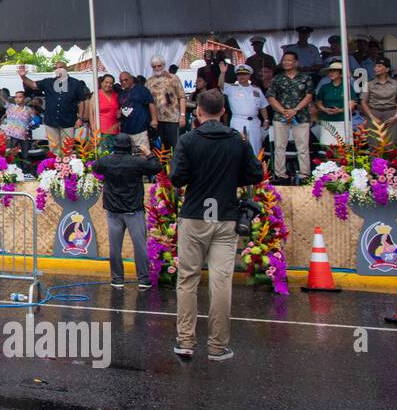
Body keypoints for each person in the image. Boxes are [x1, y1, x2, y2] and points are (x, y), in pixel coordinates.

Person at [169, 89, 266, 362]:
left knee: (187, 279)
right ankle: (217, 346)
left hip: (194, 216)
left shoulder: (188, 140)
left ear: (198, 112)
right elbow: (255, 173)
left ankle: (186, 341)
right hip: (225, 216)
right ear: (224, 111)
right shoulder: (237, 140)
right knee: (221, 282)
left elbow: (176, 178)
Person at [96, 134, 160, 288]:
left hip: (113, 210)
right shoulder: (137, 162)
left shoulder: (106, 161)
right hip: (133, 209)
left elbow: (95, 167)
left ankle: (117, 279)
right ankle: (143, 279)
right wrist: (148, 153)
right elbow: (157, 168)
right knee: (139, 246)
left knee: (115, 247)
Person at [18, 62, 89, 151]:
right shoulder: (48, 82)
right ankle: (55, 165)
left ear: (66, 69)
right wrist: (23, 77)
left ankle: (66, 165)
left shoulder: (76, 83)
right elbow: (33, 84)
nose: (58, 69)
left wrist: (80, 118)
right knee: (54, 149)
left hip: (68, 122)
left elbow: (82, 102)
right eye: (56, 68)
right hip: (51, 121)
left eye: (61, 67)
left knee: (67, 149)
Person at [266, 50, 313, 182]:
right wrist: (284, 111)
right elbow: (270, 97)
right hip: (281, 117)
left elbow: (309, 96)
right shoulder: (277, 78)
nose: (286, 62)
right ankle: (280, 175)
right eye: (284, 60)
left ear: (296, 62)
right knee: (279, 147)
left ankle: (304, 175)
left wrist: (295, 110)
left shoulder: (305, 77)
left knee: (302, 147)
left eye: (289, 60)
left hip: (301, 116)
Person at [222, 63, 269, 154]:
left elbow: (263, 106)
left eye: (244, 74)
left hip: (254, 122)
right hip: (238, 120)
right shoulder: (232, 88)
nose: (241, 76)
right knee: (238, 148)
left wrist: (266, 120)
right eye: (239, 74)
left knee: (256, 148)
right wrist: (222, 73)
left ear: (249, 75)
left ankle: (255, 168)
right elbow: (220, 84)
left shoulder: (256, 90)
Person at [361, 56, 397, 138]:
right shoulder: (367, 84)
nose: (376, 68)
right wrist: (371, 117)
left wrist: (396, 116)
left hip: (391, 114)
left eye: (379, 66)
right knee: (374, 142)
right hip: (374, 113)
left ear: (387, 69)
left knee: (392, 142)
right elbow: (363, 102)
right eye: (375, 66)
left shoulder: (396, 83)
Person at [146, 56, 186, 150]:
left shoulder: (173, 78)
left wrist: (182, 116)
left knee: (175, 147)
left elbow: (182, 97)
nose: (157, 68)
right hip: (157, 120)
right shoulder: (149, 82)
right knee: (160, 148)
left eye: (159, 66)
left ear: (163, 65)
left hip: (173, 119)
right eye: (154, 66)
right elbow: (148, 102)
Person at [115, 70, 156, 155]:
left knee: (143, 155)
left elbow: (151, 104)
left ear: (132, 79)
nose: (124, 82)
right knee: (129, 156)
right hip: (126, 131)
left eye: (126, 80)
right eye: (121, 81)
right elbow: (121, 108)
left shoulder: (142, 90)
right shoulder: (121, 94)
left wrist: (154, 120)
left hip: (140, 129)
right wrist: (119, 113)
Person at [312, 60, 352, 147]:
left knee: (344, 147)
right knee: (328, 147)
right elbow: (318, 102)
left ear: (340, 74)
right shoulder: (324, 87)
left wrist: (340, 110)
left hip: (343, 120)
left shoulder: (347, 87)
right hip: (327, 120)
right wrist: (325, 109)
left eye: (334, 71)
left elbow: (352, 104)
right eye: (330, 71)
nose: (331, 73)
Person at [1, 90, 34, 164]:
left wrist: (29, 127)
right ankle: (12, 170)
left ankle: (26, 171)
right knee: (12, 154)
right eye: (16, 97)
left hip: (25, 135)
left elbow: (36, 120)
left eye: (20, 97)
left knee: (25, 155)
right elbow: (3, 100)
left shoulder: (28, 109)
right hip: (14, 135)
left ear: (24, 98)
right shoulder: (11, 107)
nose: (17, 99)